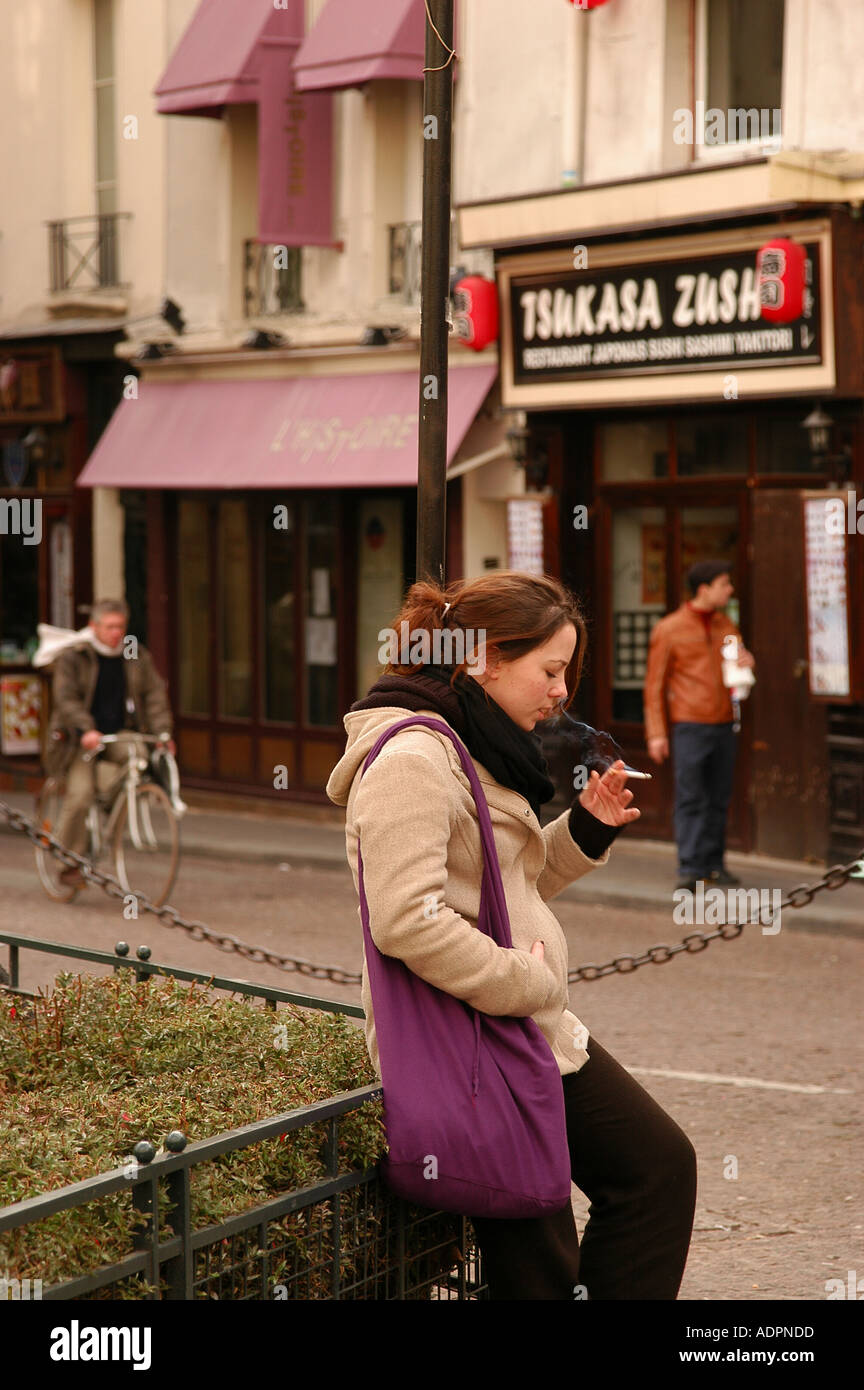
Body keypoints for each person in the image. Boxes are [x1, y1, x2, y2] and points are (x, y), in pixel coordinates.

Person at [326, 571, 697, 1300]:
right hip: (473, 1043)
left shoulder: (471, 739)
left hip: (524, 1031)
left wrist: (584, 828)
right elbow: (406, 919)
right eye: (550, 671)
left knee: (657, 1168)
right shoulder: (412, 759)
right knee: (541, 1270)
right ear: (485, 658)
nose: (562, 692)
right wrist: (525, 981)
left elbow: (504, 887)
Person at [38, 599, 175, 889]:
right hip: (79, 741)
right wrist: (86, 729)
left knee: (138, 754)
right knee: (80, 795)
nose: (116, 633)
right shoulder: (74, 657)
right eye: (109, 627)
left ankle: (115, 804)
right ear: (94, 627)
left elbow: (154, 695)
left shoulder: (134, 654)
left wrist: (162, 734)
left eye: (120, 627)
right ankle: (69, 861)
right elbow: (66, 700)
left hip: (117, 734)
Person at [643, 560, 755, 892]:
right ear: (704, 589)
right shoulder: (669, 628)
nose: (730, 589)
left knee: (720, 797)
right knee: (691, 797)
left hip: (724, 724)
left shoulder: (727, 624)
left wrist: (748, 663)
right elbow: (654, 685)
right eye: (725, 584)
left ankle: (715, 865)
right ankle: (691, 868)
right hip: (689, 725)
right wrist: (657, 733)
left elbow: (737, 668)